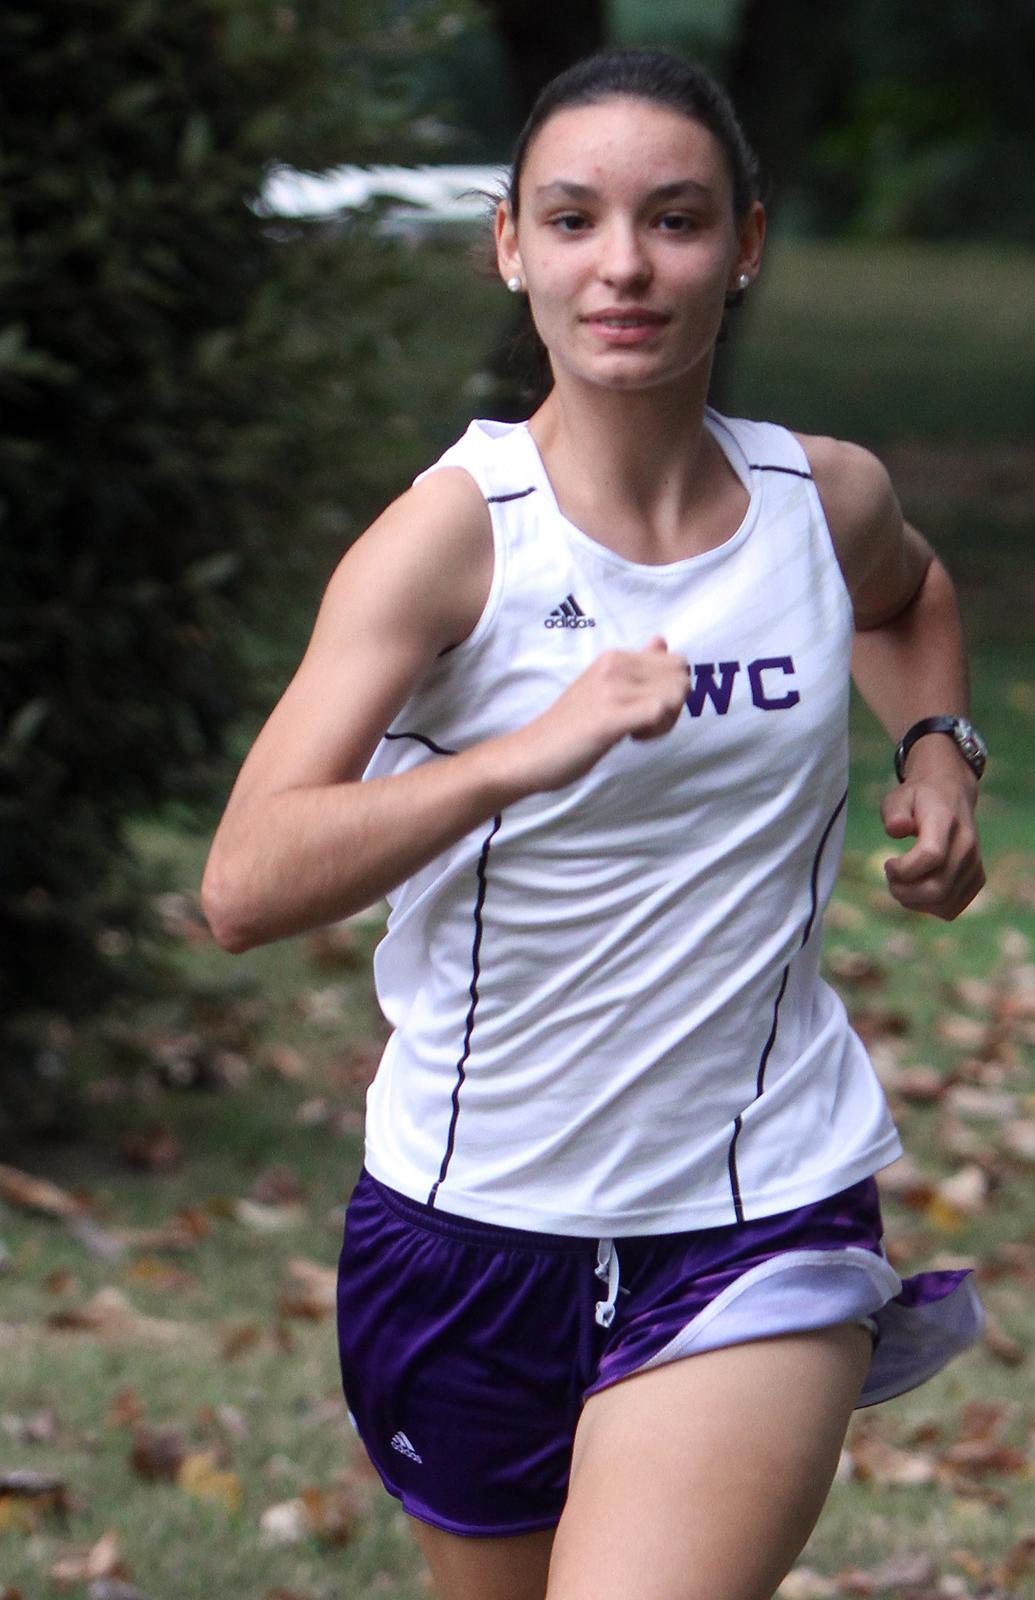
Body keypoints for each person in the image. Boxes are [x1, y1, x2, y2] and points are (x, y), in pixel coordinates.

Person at [203, 46, 989, 1600]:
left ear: (744, 245)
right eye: (573, 221)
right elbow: (243, 882)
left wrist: (939, 752)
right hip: (468, 1225)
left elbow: (911, 595)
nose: (622, 265)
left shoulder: (815, 502)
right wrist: (518, 755)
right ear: (511, 247)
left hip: (758, 1204)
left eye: (676, 220)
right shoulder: (447, 543)